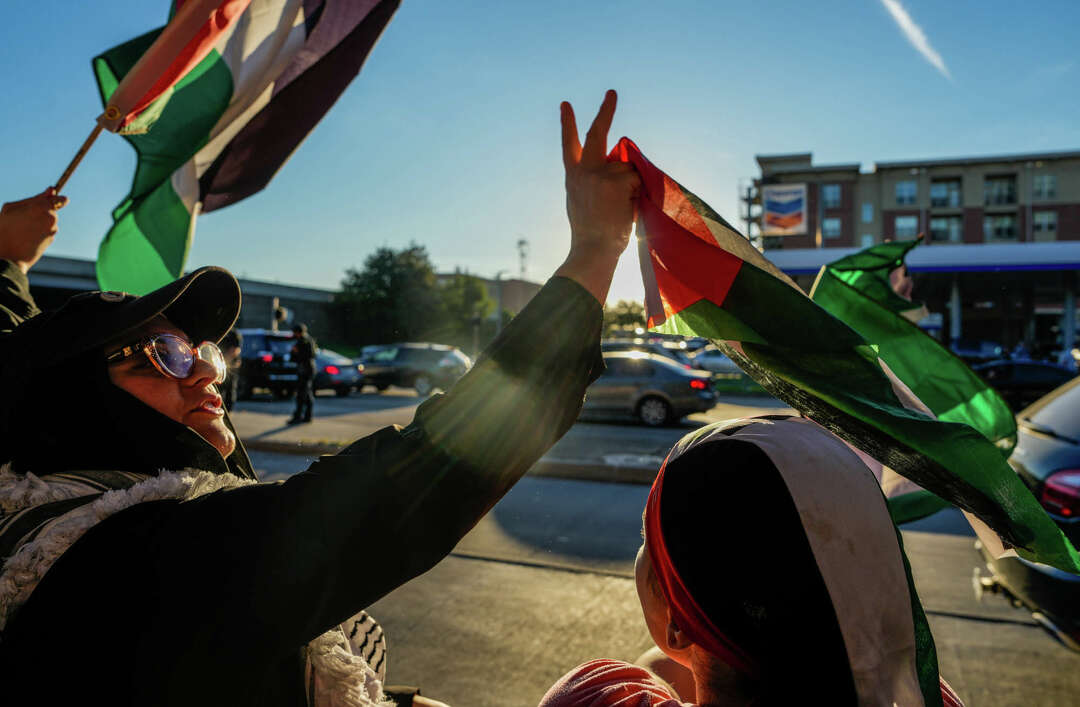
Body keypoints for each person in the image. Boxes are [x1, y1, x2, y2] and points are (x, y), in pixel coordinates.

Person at [0, 90, 640, 706]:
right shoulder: (138, 559)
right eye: (164, 355)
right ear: (76, 401)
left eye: (204, 353)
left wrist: (9, 262)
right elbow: (410, 485)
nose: (204, 374)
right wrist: (594, 252)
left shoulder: (42, 522)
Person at [539, 417, 964, 707]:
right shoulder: (921, 694)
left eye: (649, 541)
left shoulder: (598, 697)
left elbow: (654, 664)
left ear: (677, 620)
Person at [289, 322, 317, 423]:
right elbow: (293, 358)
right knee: (306, 394)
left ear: (298, 332)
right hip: (304, 370)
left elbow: (310, 356)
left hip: (306, 370)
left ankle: (299, 416)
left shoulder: (306, 341)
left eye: (295, 332)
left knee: (302, 394)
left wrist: (297, 352)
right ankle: (307, 416)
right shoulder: (302, 340)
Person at [220, 326, 243, 411]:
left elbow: (237, 349)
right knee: (221, 389)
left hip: (230, 365)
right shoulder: (222, 331)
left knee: (230, 389)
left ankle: (227, 411)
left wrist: (230, 358)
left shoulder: (232, 334)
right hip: (220, 363)